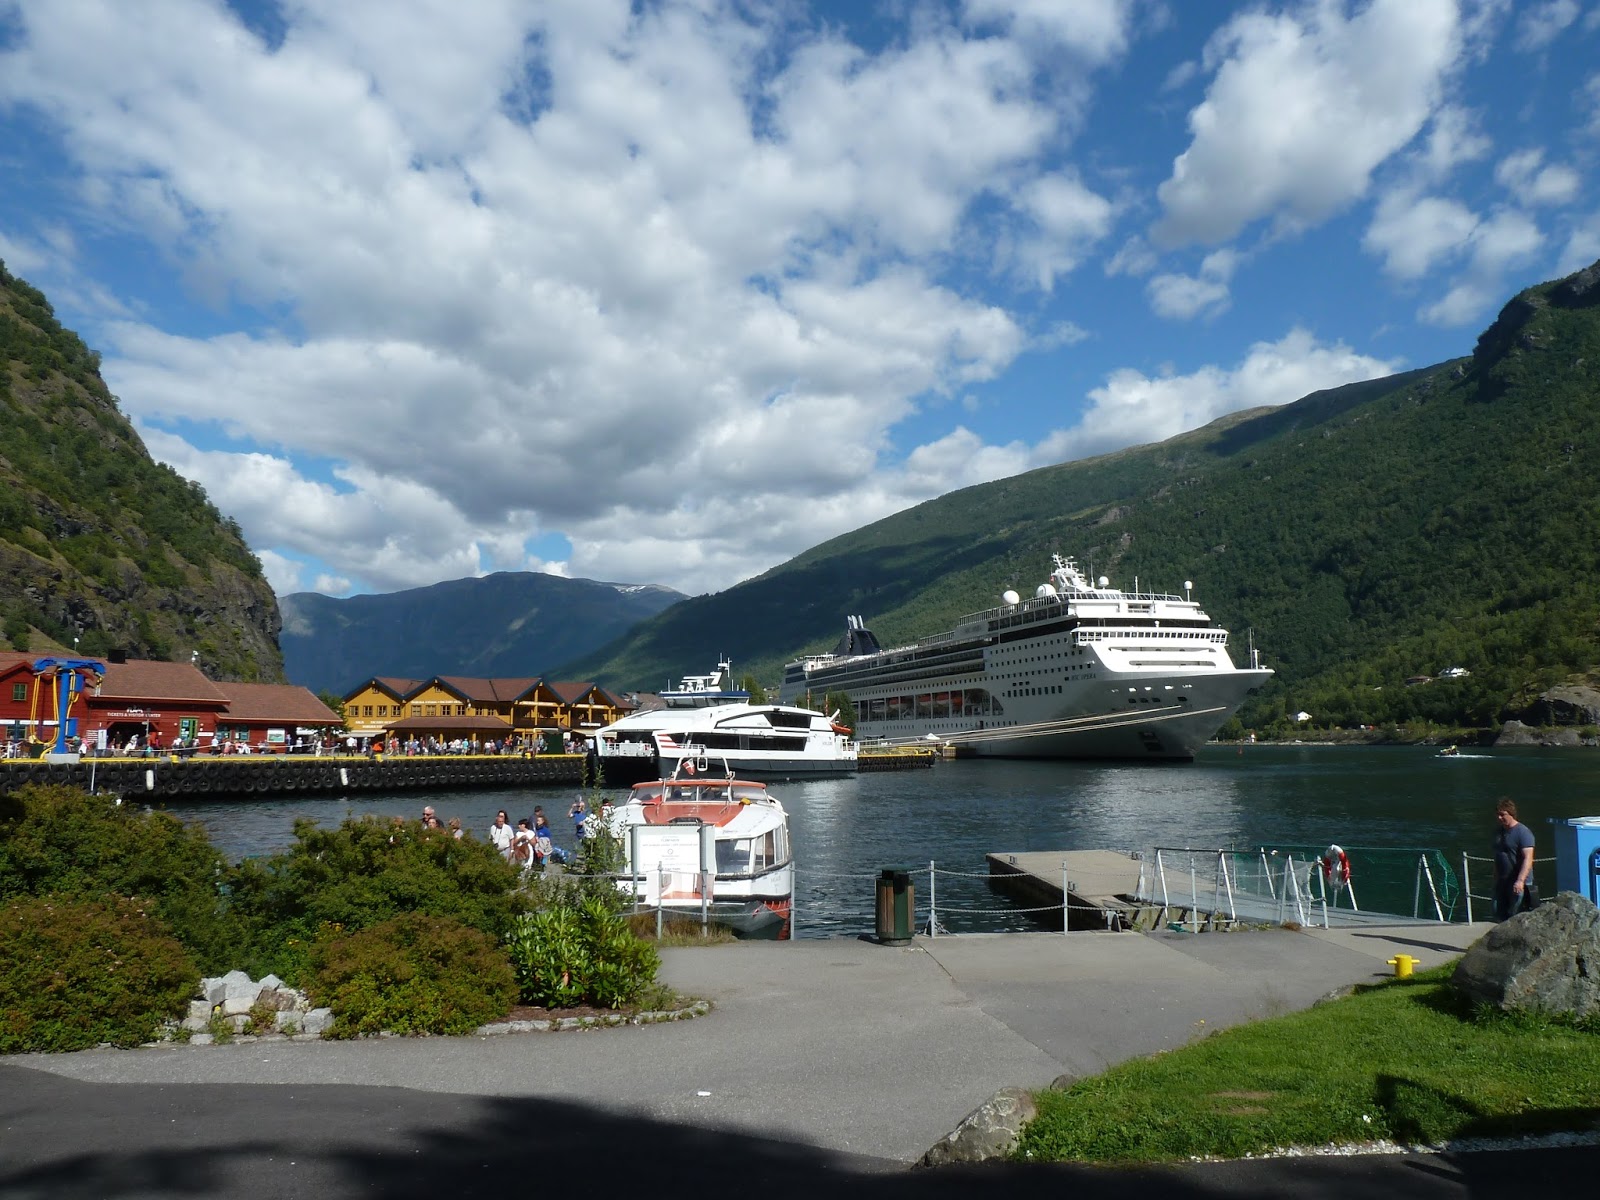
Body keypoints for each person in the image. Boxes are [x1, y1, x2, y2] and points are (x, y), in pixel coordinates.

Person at [1492, 797, 1535, 921]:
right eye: (1498, 815)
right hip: (1502, 880)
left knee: (1515, 914)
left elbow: (1528, 858)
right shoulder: (1498, 832)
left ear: (1511, 813)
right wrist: (1495, 876)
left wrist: (1520, 880)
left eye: (1502, 815)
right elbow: (1497, 855)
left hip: (1518, 882)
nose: (1499, 818)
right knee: (1497, 910)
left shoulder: (1523, 832)